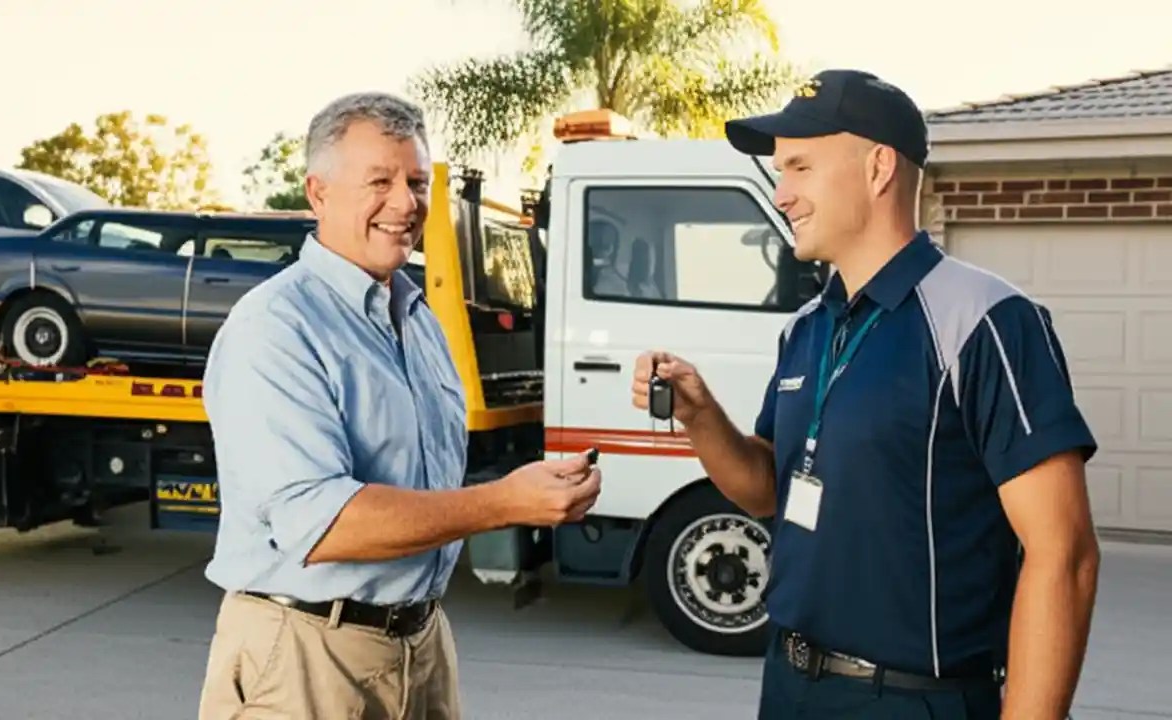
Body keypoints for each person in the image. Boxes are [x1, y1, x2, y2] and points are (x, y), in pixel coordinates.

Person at [631, 69, 1100, 719]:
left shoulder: (987, 320)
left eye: (799, 167)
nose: (782, 192)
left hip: (915, 699)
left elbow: (1064, 552)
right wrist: (702, 414)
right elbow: (768, 489)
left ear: (878, 168)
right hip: (790, 683)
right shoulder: (806, 328)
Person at [197, 91, 602, 720]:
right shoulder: (275, 327)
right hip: (307, 658)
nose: (406, 203)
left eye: (416, 181)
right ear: (318, 194)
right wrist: (503, 502)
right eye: (379, 181)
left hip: (420, 645)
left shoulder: (418, 320)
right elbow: (321, 523)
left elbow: (424, 482)